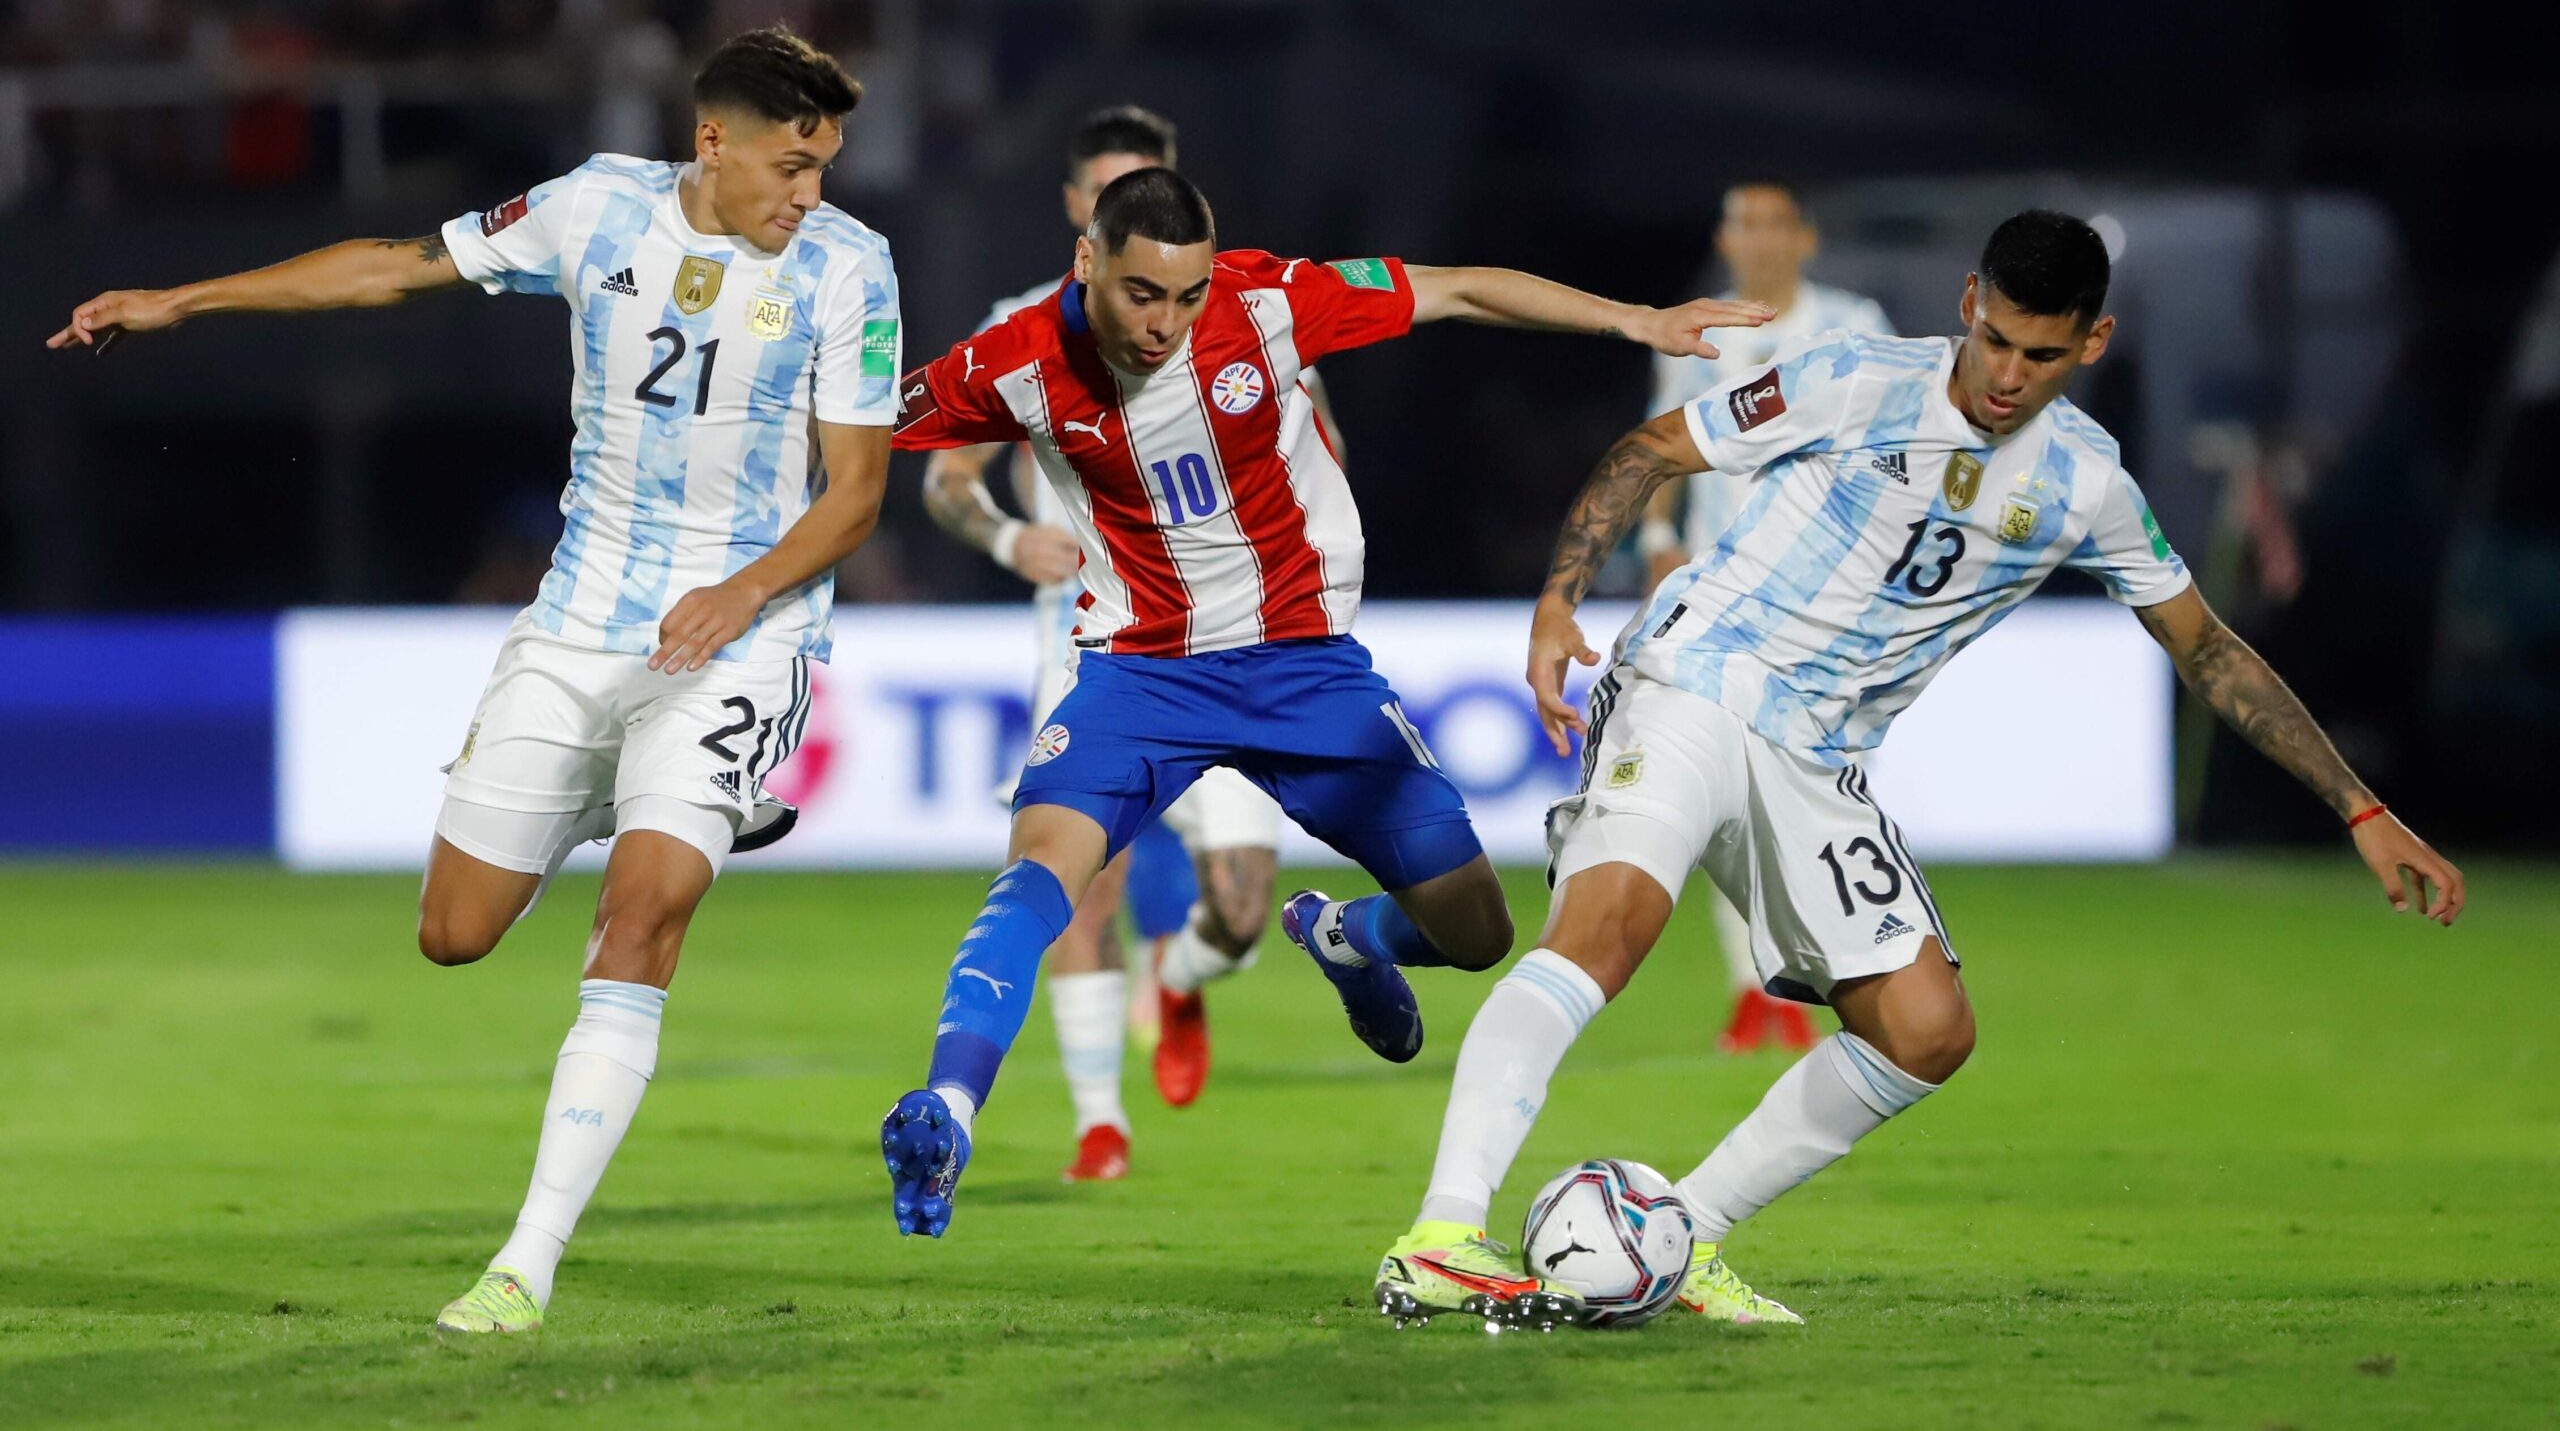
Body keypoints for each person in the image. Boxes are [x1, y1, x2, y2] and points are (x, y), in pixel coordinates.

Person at [1374, 209, 2465, 1328]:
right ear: (1966, 304)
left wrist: (2360, 807)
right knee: (1604, 934)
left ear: (2092, 344)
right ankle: (1443, 1235)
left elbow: (2206, 648)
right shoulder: (1853, 379)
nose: (2005, 375)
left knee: (1926, 1030)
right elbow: (1652, 450)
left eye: (2041, 355)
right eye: (1994, 338)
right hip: (1700, 675)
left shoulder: (2087, 486)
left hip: (1819, 757)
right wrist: (1560, 601)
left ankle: (1679, 1239)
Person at [48, 27, 902, 1336]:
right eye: (794, 164)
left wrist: (741, 593)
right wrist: (181, 301)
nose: (812, 195)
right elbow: (390, 269)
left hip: (744, 629)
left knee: (645, 912)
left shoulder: (850, 267)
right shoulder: (593, 207)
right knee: (454, 931)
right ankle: (633, 790)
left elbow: (852, 497)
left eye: (826, 167)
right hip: (577, 624)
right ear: (714, 140)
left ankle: (526, 1261)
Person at [878, 166, 1773, 1237]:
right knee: (1041, 871)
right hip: (1138, 672)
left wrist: (1633, 320)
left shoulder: (1265, 305)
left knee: (1481, 933)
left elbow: (1458, 290)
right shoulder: (1014, 360)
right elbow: (861, 428)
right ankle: (948, 1111)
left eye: (1186, 294)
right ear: (1086, 265)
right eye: (1139, 295)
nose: (1165, 324)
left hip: (1304, 670)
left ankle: (1351, 937)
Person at [918, 106, 1327, 1182]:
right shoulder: (1022, 332)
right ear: (1076, 215)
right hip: (1095, 653)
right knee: (1077, 886)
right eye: (1113, 188)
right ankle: (1100, 1124)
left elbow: (1313, 450)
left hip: (1233, 648)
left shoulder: (1245, 310)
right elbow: (945, 477)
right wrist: (1012, 538)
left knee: (1242, 909)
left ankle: (1184, 978)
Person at [1637, 180, 1894, 1056]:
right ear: (1725, 237)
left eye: (1774, 222)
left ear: (1805, 237)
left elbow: (1902, 437)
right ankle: (1764, 989)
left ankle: (1813, 975)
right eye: (1743, 223)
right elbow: (1663, 442)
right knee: (1724, 787)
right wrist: (1660, 537)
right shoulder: (1698, 332)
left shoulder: (1853, 323)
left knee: (1809, 787)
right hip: (1725, 593)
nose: (1759, 238)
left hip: (1830, 596)